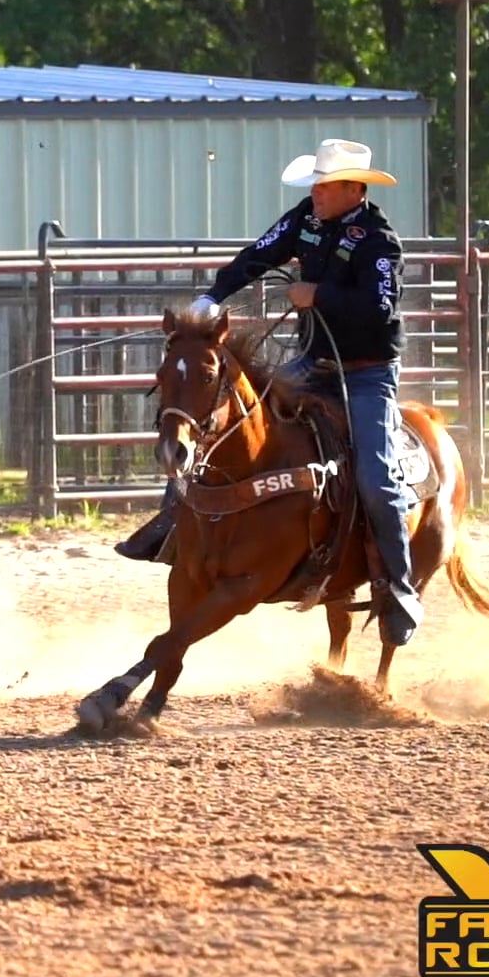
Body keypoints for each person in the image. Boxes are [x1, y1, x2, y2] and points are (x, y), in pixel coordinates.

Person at [114, 138, 421, 646]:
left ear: (352, 188)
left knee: (376, 475)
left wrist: (318, 294)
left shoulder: (380, 243)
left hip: (367, 374)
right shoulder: (306, 219)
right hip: (313, 363)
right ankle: (173, 523)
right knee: (220, 419)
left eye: (324, 186)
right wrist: (214, 295)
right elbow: (259, 253)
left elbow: (380, 308)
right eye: (315, 186)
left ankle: (400, 587)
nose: (315, 194)